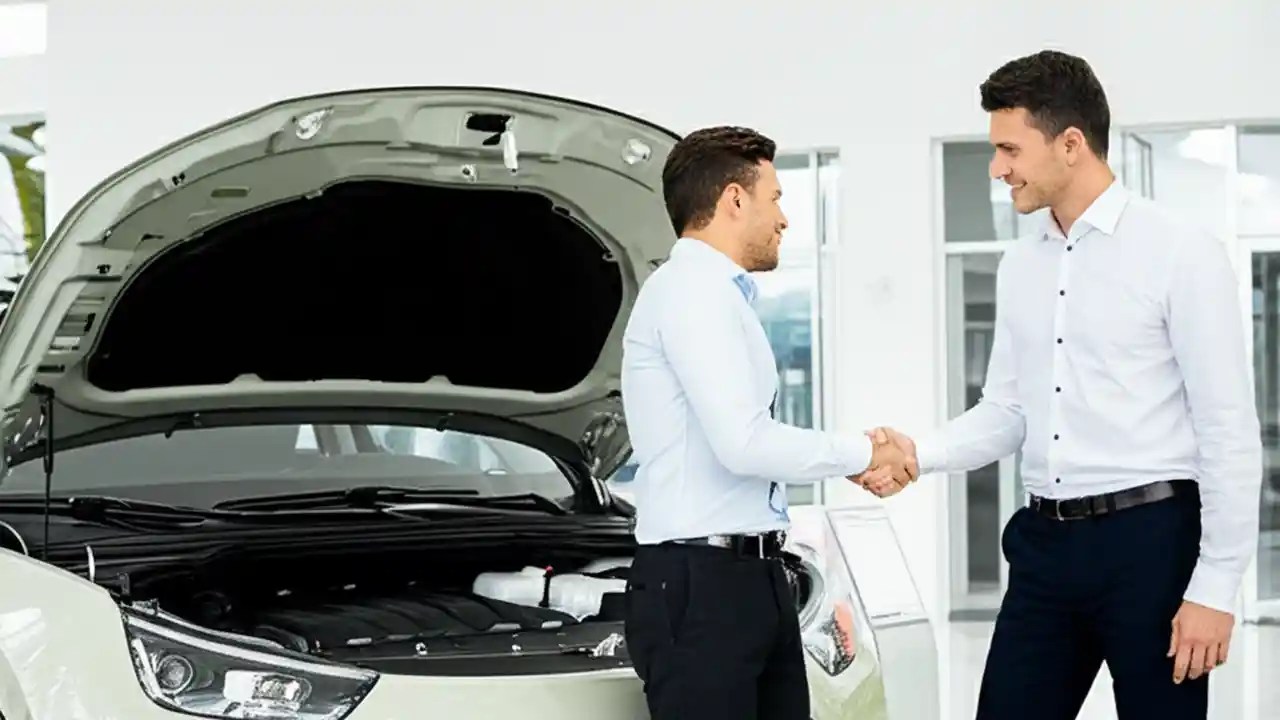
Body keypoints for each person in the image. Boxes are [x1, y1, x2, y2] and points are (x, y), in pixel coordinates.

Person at [861, 50, 1263, 719]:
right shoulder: (1020, 264)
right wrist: (917, 453)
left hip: (1151, 546)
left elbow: (1227, 427)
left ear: (1071, 144)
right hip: (1044, 548)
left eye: (1009, 149)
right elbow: (1008, 409)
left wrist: (1215, 587)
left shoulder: (1180, 252)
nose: (997, 169)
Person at [619, 126, 915, 720]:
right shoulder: (689, 293)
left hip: (751, 577)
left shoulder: (722, 297)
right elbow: (745, 443)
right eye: (776, 198)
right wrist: (864, 452)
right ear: (734, 199)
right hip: (701, 587)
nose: (784, 218)